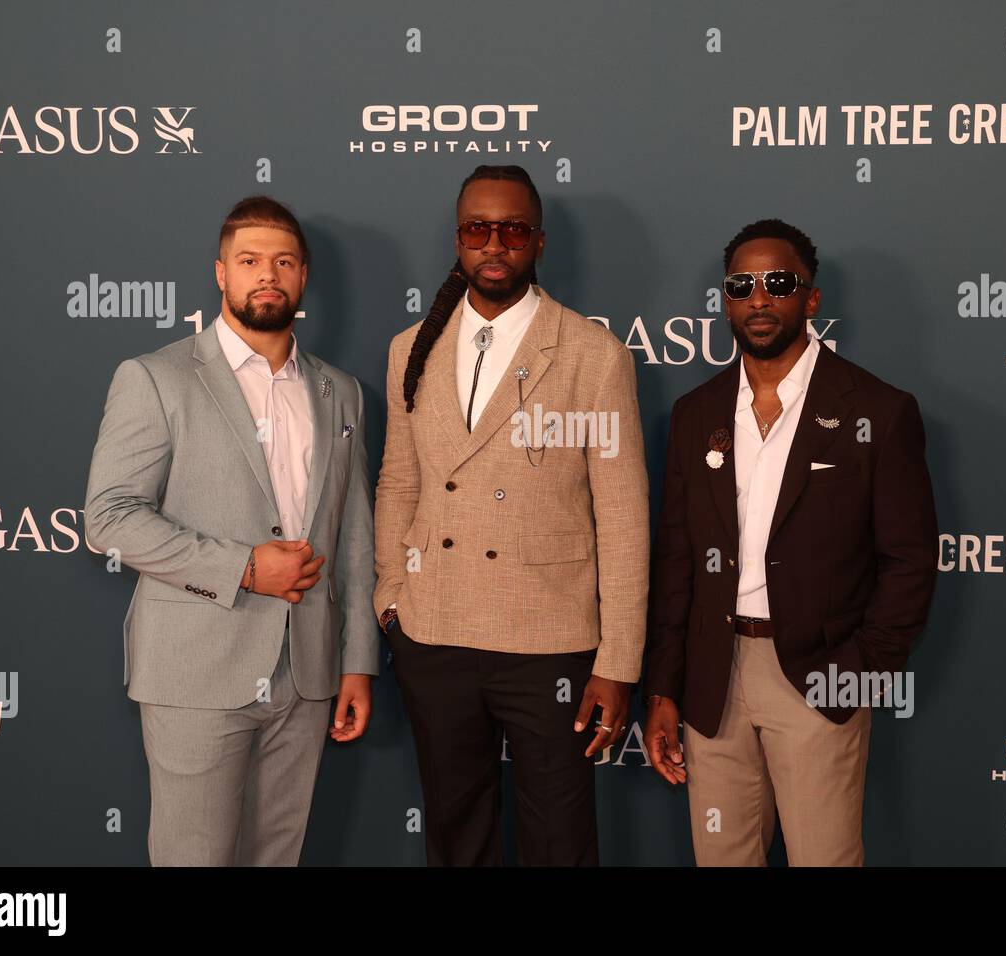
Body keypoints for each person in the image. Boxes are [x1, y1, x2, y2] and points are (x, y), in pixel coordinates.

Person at [84, 196, 378, 865]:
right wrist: (244, 567)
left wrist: (358, 661)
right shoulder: (155, 378)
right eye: (249, 261)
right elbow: (107, 519)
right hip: (196, 670)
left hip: (307, 674)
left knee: (276, 856)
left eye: (283, 261)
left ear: (303, 277)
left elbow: (356, 538)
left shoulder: (343, 392)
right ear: (221, 274)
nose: (266, 274)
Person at [373, 164, 648, 865]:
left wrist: (617, 662)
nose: (495, 244)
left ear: (540, 242)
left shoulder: (593, 355)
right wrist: (391, 598)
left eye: (513, 229)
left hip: (549, 642)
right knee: (455, 835)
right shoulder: (411, 348)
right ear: (458, 238)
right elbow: (399, 481)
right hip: (435, 631)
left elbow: (621, 516)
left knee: (559, 841)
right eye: (478, 229)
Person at [643, 218, 938, 865]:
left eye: (778, 283)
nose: (759, 298)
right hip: (712, 677)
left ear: (811, 298)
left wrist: (860, 674)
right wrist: (664, 687)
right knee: (723, 858)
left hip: (819, 676)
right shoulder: (695, 414)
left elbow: (910, 560)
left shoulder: (877, 411)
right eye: (741, 285)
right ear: (725, 299)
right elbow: (676, 559)